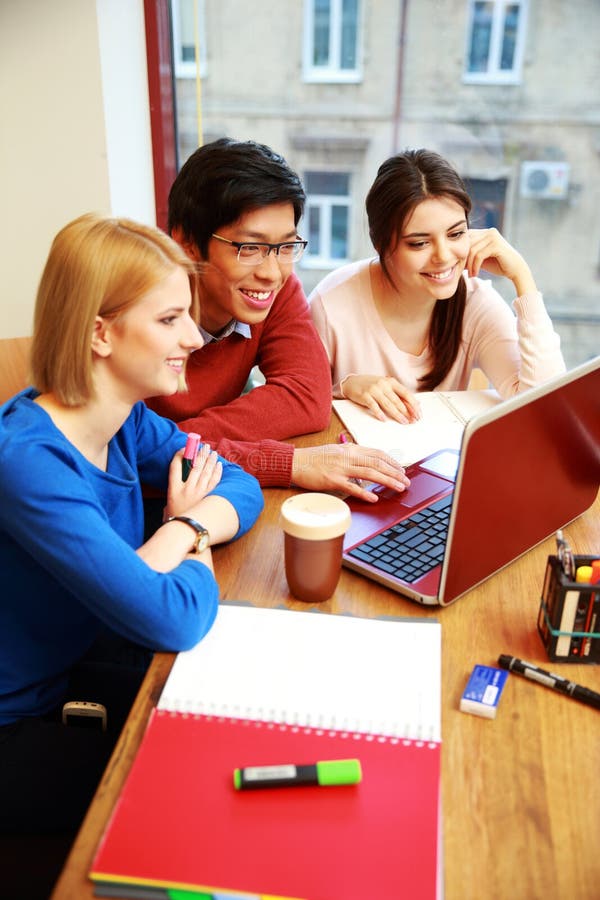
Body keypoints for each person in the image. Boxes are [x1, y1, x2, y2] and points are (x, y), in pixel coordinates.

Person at [0, 214, 263, 892]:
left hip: (78, 661)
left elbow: (239, 483)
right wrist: (193, 537)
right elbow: (168, 618)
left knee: (237, 721)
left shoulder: (123, 416)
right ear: (100, 333)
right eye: (171, 318)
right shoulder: (30, 463)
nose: (193, 336)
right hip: (16, 724)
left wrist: (179, 532)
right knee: (205, 779)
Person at [146, 138, 409, 503]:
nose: (272, 272)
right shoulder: (136, 308)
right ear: (187, 243)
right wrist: (289, 464)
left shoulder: (271, 291)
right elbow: (133, 455)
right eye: (249, 248)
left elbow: (306, 396)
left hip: (208, 487)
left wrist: (177, 438)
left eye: (286, 247)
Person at [309, 148, 566, 423]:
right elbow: (299, 410)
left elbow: (544, 409)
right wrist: (345, 388)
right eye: (419, 243)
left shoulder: (474, 302)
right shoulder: (331, 305)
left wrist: (522, 278)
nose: (443, 256)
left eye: (456, 234)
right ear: (381, 245)